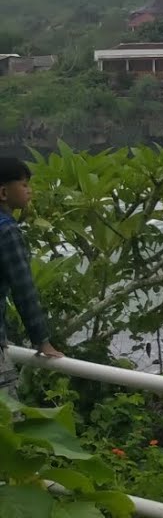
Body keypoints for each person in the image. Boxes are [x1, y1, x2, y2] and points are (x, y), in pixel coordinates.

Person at [0, 157, 64, 397]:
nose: (30, 191)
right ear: (4, 192)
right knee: (7, 418)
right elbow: (23, 289)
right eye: (24, 185)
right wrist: (42, 340)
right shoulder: (7, 231)